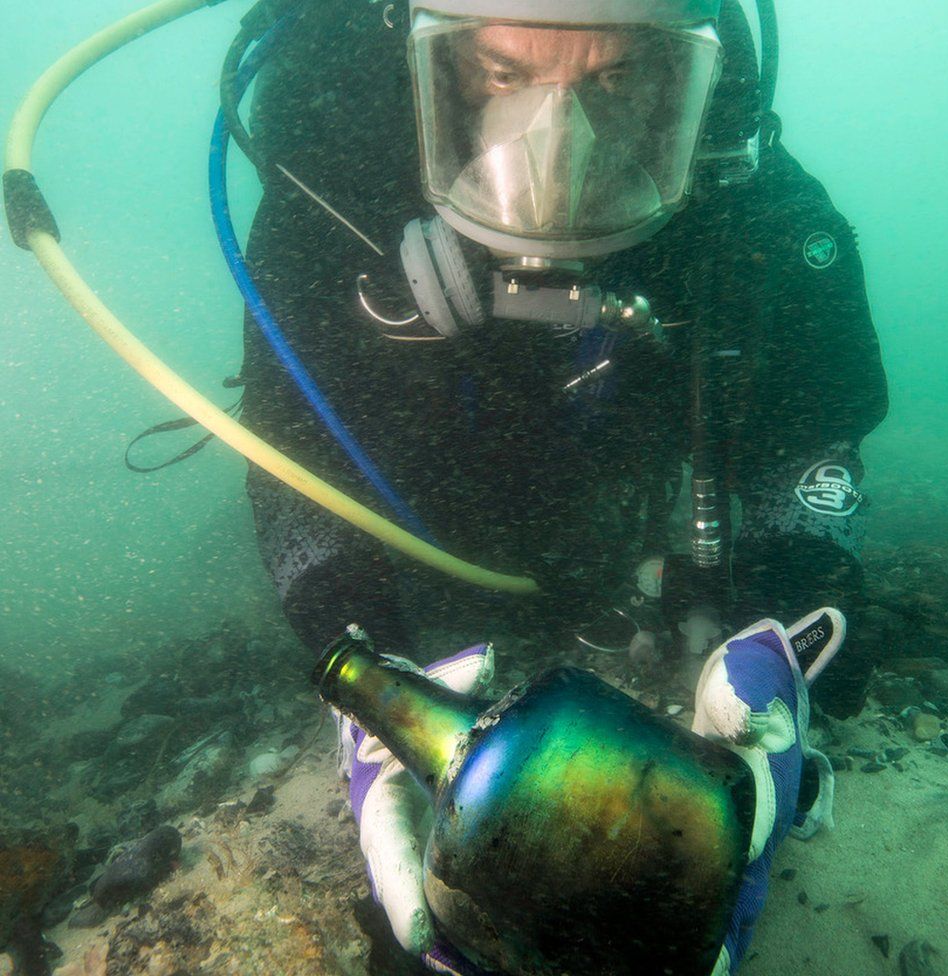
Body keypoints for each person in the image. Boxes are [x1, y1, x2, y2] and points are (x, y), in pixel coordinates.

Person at [232, 0, 885, 970]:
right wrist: (362, 688)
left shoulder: (758, 215)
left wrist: (791, 636)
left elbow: (809, 455)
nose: (555, 153)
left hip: (619, 545)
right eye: (501, 74)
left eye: (614, 78)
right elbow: (289, 468)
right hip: (423, 558)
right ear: (426, 70)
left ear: (693, 81)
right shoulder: (330, 195)